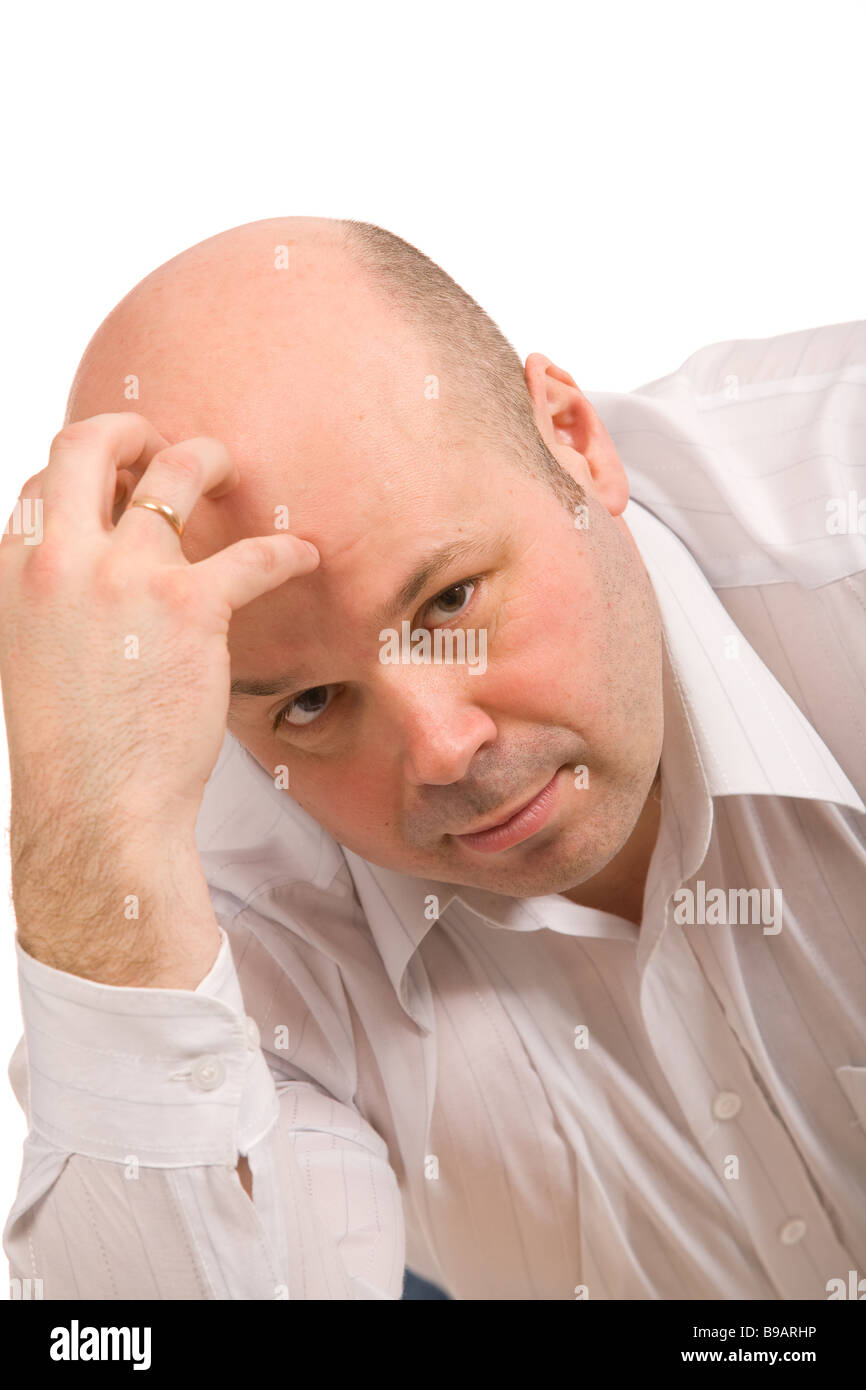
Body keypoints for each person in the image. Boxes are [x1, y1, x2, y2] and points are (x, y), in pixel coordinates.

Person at [1, 216, 864, 1300]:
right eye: (312, 703)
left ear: (571, 437)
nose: (444, 749)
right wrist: (87, 831)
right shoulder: (209, 921)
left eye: (449, 600)